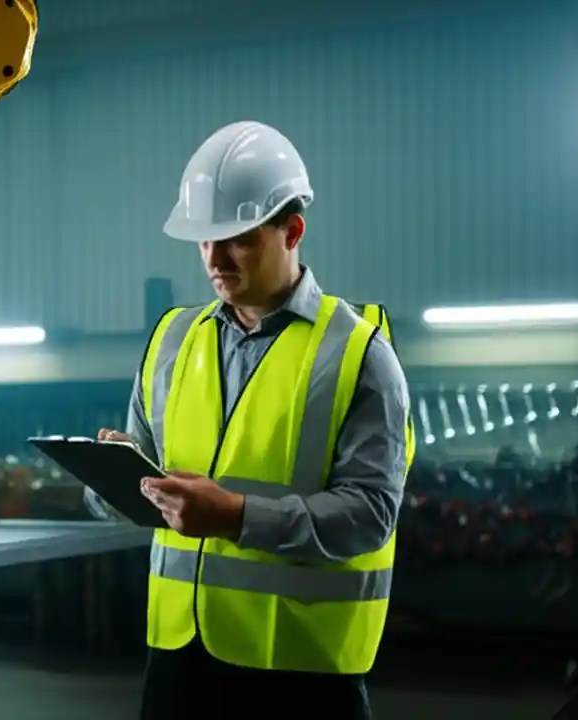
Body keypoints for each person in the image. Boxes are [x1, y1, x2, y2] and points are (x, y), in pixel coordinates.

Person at [84, 120, 414, 720]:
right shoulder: (172, 340)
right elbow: (143, 492)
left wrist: (235, 517)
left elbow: (369, 518)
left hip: (301, 676)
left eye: (237, 238)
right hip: (179, 663)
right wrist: (111, 481)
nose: (214, 258)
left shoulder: (359, 354)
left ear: (293, 231)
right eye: (204, 240)